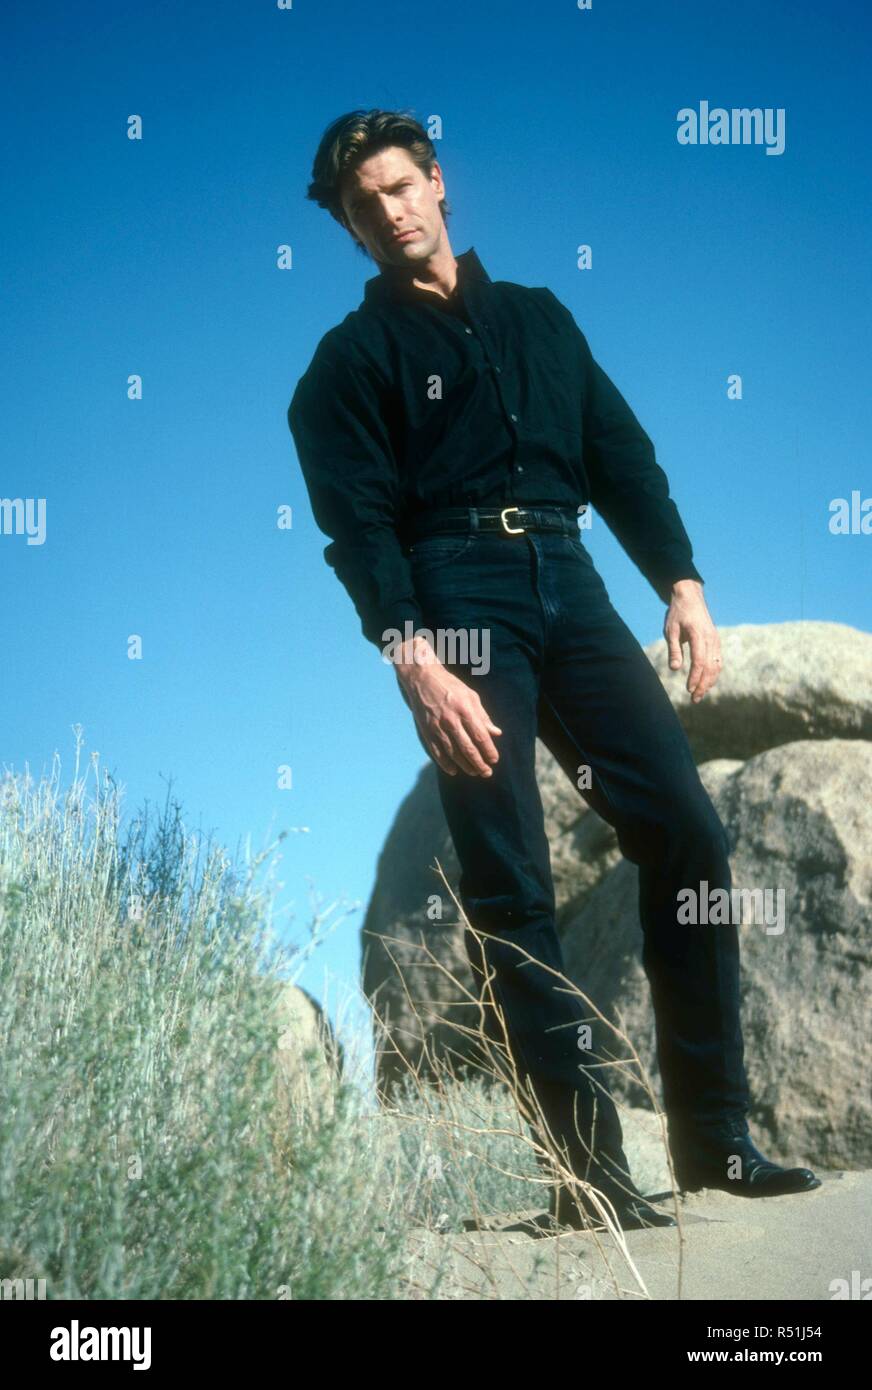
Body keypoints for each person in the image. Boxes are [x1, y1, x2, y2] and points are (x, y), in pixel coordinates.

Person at [287, 108, 821, 1231]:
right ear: (349, 230)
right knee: (509, 879)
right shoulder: (344, 367)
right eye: (363, 206)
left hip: (570, 580)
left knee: (687, 833)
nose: (390, 212)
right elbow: (359, 530)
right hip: (455, 598)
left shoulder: (540, 317)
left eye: (401, 186)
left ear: (439, 183)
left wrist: (680, 580)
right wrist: (414, 658)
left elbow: (618, 453)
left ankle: (716, 1141)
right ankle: (587, 1176)